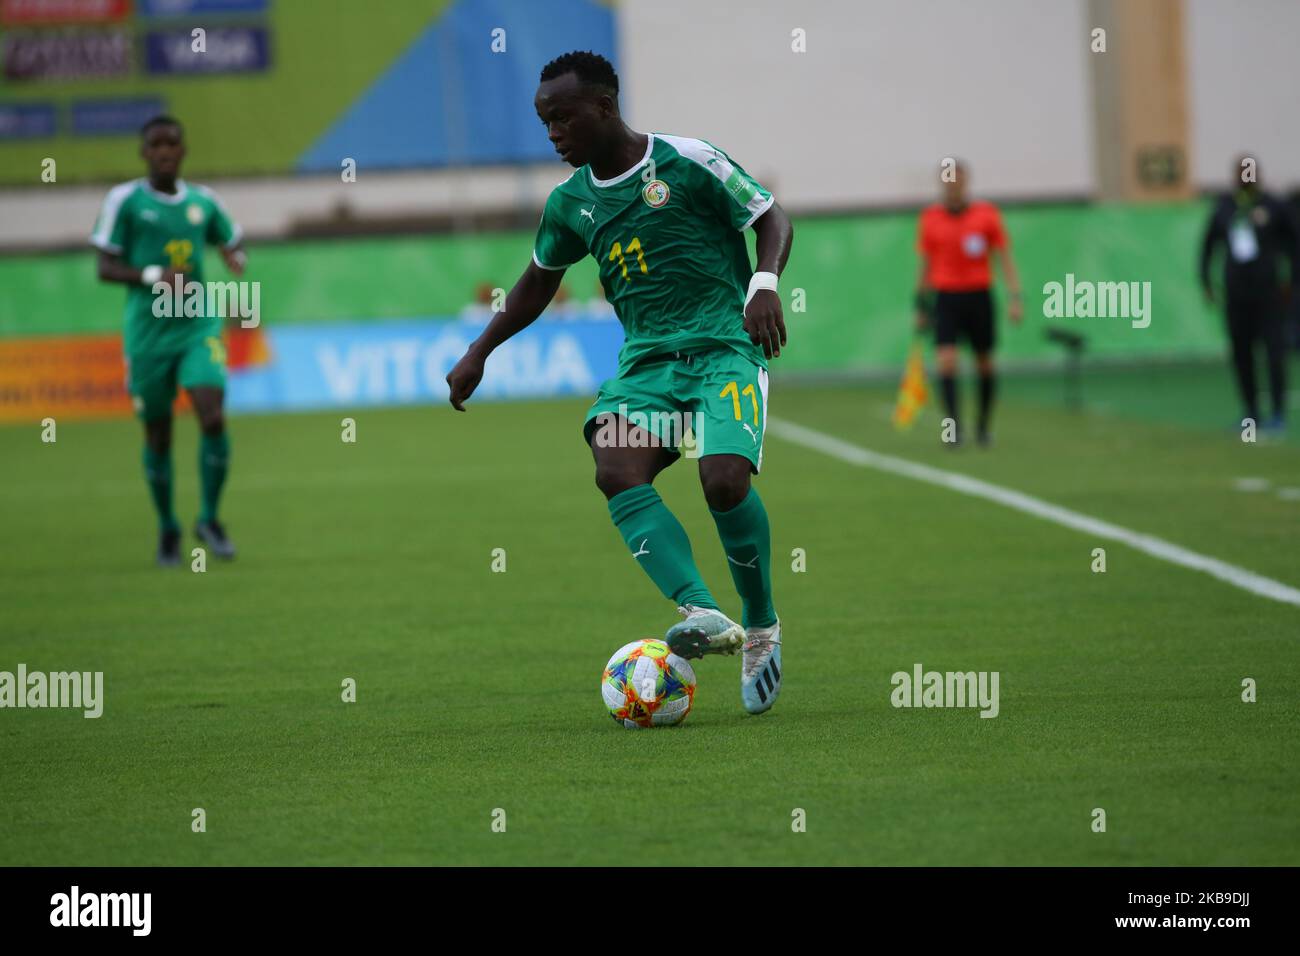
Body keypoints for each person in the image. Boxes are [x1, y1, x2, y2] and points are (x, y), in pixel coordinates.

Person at [446, 51, 794, 714]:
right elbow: (536, 284)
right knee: (614, 463)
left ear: (604, 107)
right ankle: (701, 609)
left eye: (563, 119)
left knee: (722, 479)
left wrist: (764, 283)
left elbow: (771, 217)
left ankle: (761, 625)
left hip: (724, 347)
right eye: (546, 123)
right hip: (647, 364)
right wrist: (479, 350)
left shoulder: (688, 159)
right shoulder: (570, 204)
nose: (554, 134)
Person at [91, 115, 246, 565]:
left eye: (171, 143)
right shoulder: (124, 201)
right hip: (148, 336)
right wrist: (155, 275)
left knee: (212, 415)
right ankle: (167, 528)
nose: (163, 151)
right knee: (158, 436)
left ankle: (210, 519)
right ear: (143, 153)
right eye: (154, 144)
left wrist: (236, 256)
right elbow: (104, 267)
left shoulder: (203, 201)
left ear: (182, 150)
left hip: (196, 325)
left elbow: (231, 241)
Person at [915, 161, 1022, 445]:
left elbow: (1004, 257)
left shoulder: (986, 215)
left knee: (984, 363)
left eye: (957, 181)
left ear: (966, 183)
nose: (953, 186)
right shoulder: (931, 218)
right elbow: (925, 265)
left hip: (979, 296)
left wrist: (1014, 297)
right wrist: (921, 306)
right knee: (946, 361)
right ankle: (953, 429)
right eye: (948, 182)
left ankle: (984, 426)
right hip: (946, 298)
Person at [1200, 156, 1298, 433]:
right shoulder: (1225, 207)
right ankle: (1251, 413)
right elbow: (1208, 246)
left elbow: (1294, 243)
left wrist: (1292, 281)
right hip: (1237, 294)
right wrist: (1206, 281)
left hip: (1269, 293)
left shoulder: (1273, 205)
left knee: (1274, 353)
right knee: (1242, 354)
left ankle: (1278, 412)